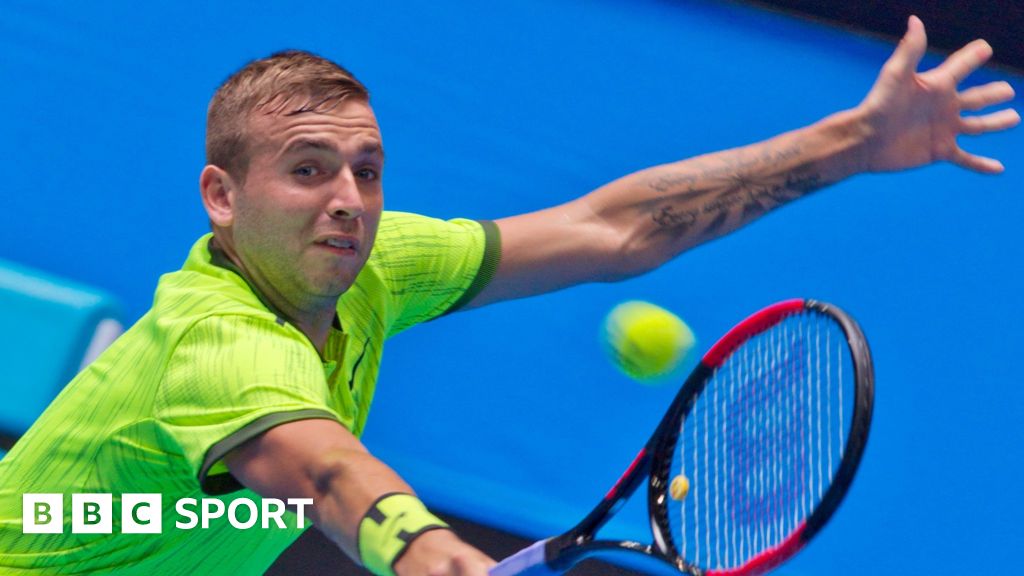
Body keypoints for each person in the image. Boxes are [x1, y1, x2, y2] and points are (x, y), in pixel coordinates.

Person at [0, 15, 1016, 576]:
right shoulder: (219, 345)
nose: (348, 200)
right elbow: (321, 473)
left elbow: (609, 229)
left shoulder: (377, 264)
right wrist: (430, 553)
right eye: (307, 169)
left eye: (367, 167)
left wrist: (851, 143)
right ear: (221, 197)